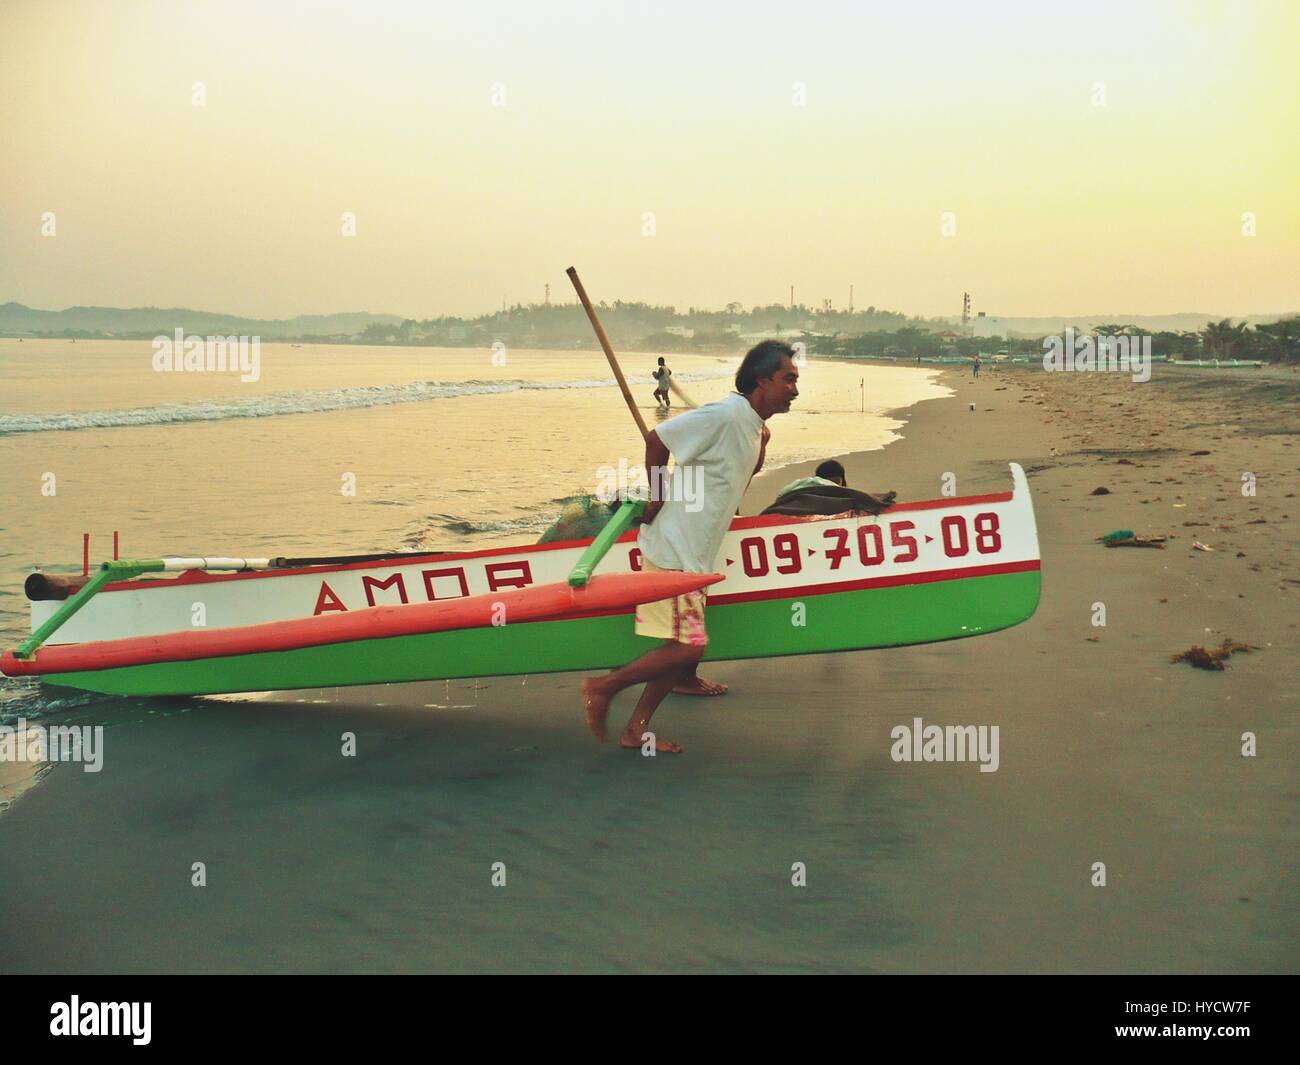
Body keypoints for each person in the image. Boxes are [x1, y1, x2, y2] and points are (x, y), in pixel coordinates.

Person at [582, 340, 799, 753]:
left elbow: (732, 478)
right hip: (674, 548)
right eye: (788, 379)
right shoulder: (724, 414)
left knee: (682, 650)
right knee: (691, 645)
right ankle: (603, 687)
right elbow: (657, 439)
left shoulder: (752, 426)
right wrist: (658, 495)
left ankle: (636, 729)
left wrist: (760, 449)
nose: (795, 389)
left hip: (696, 553)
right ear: (761, 380)